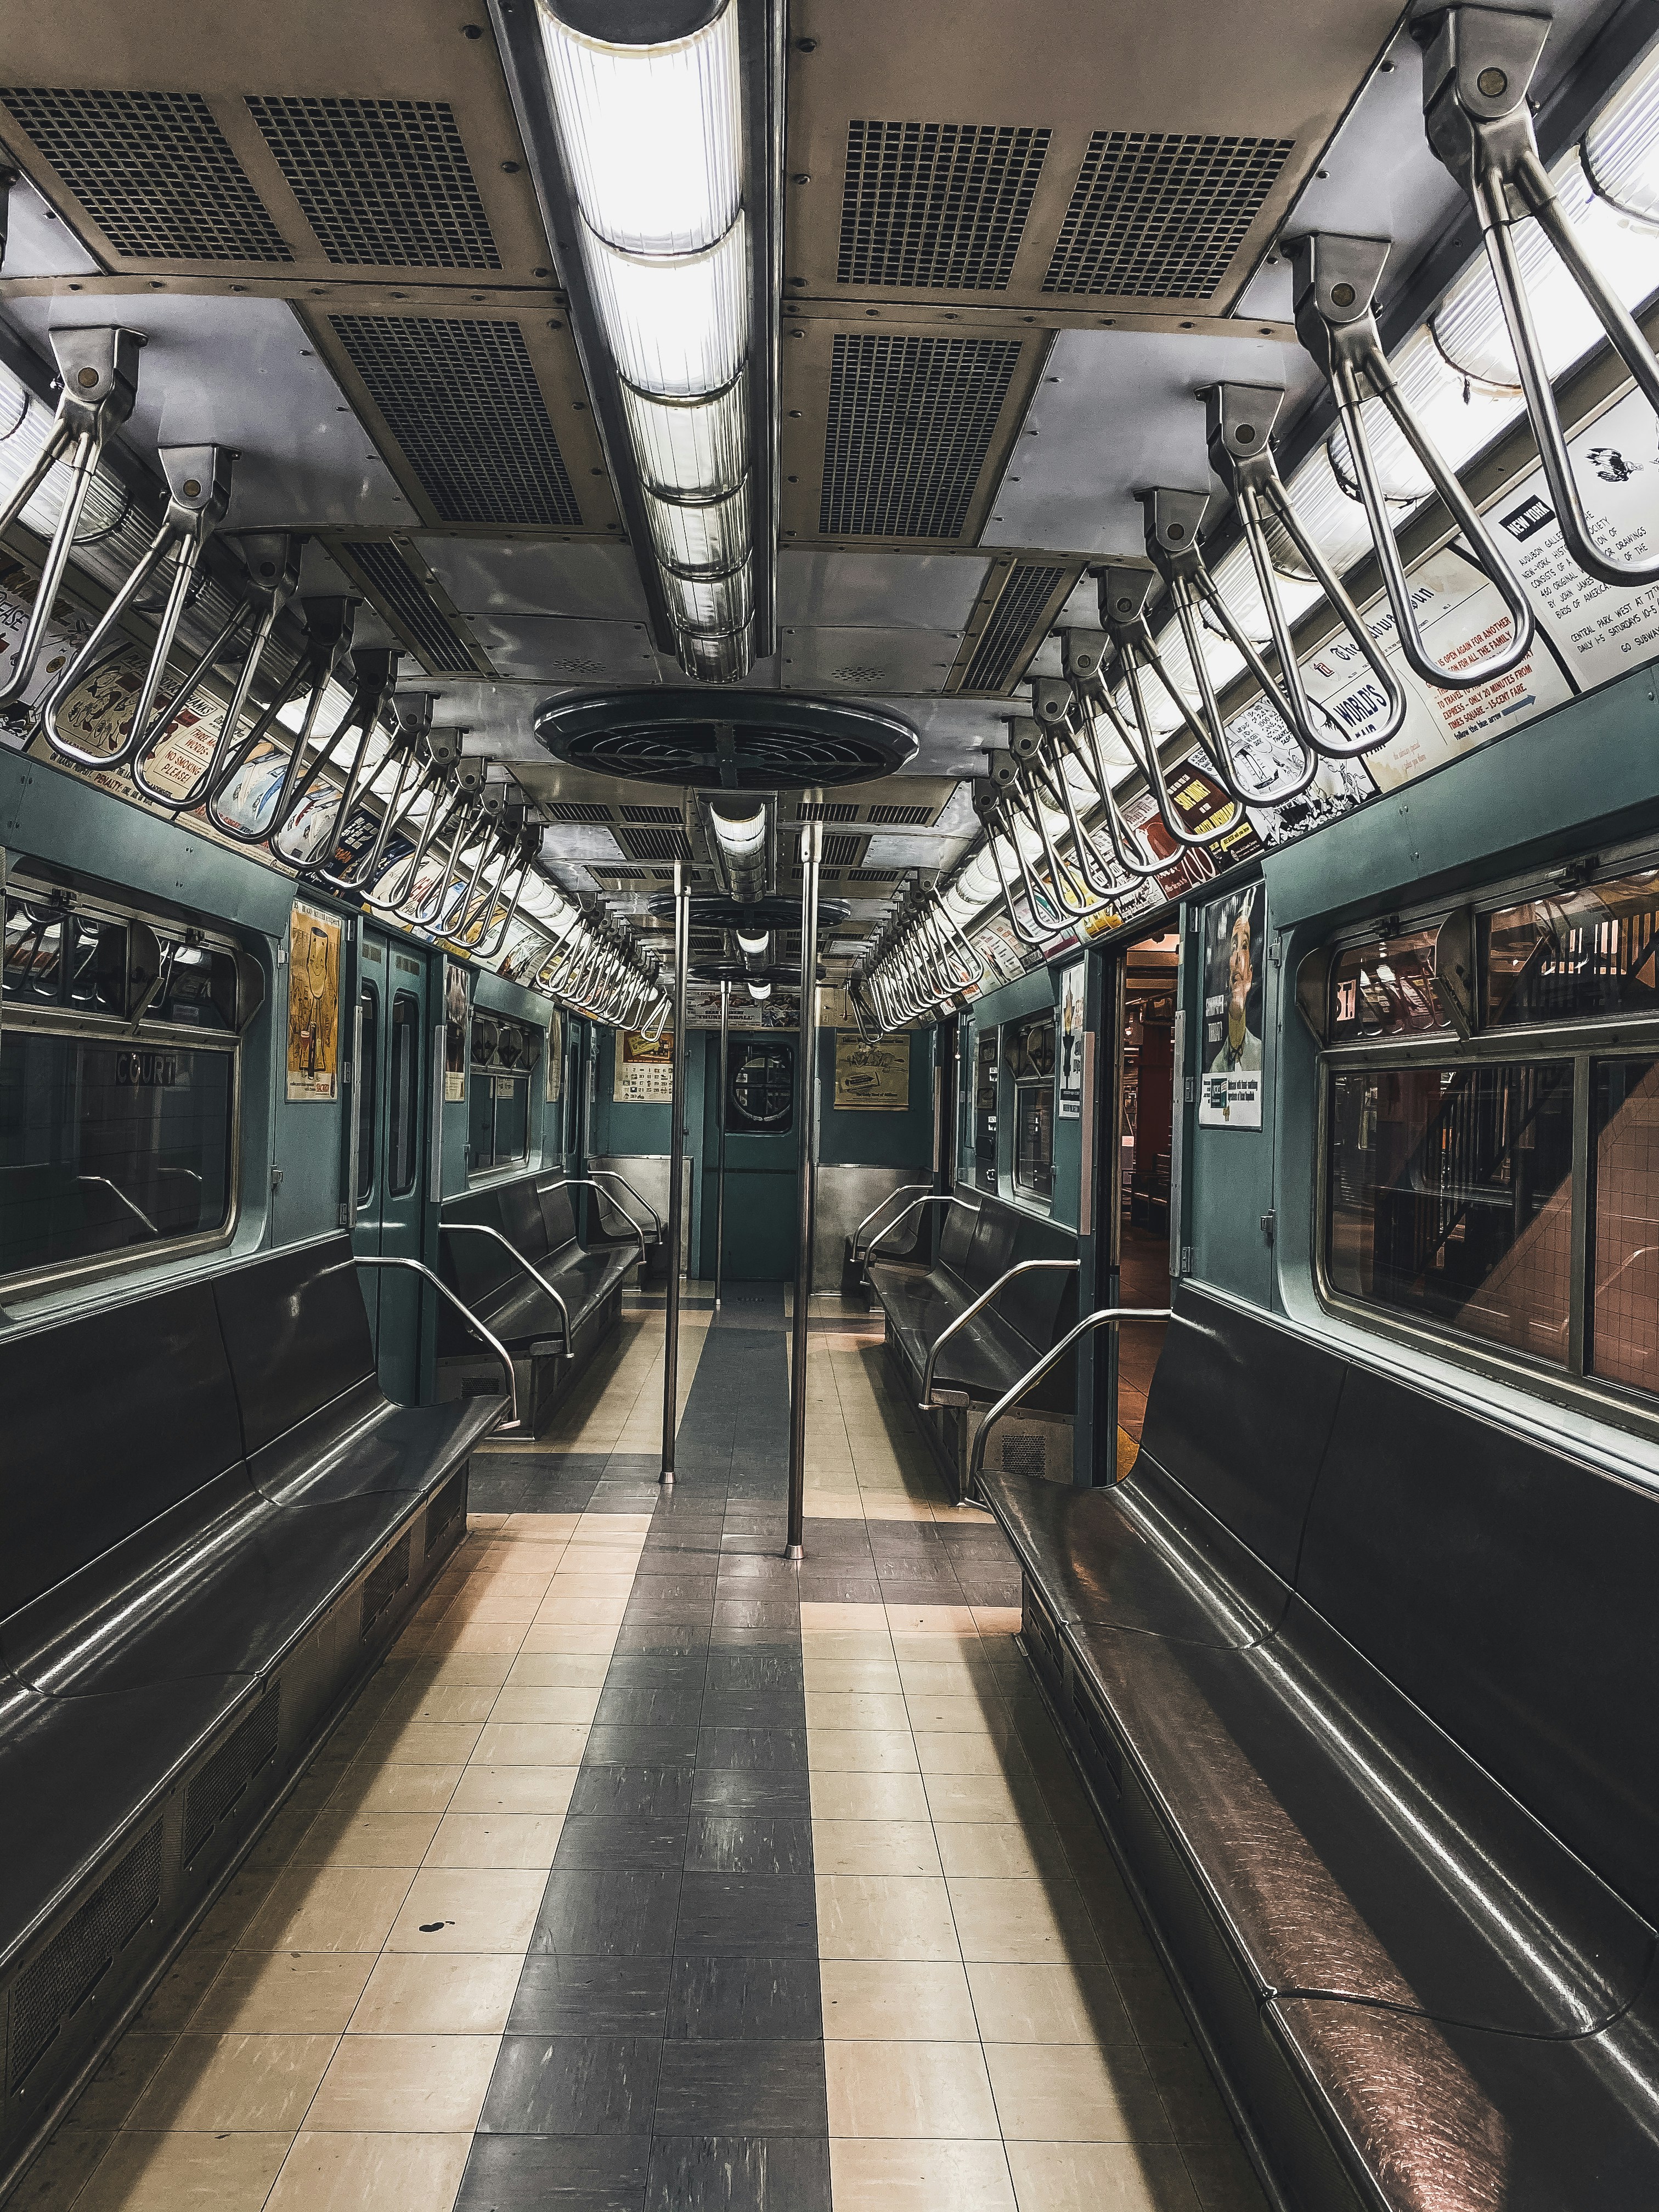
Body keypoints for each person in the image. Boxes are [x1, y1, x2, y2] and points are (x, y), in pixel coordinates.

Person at [1209, 896, 1262, 1075]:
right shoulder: (1216, 1064)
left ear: (1250, 974)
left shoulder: (1261, 1053)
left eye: (1244, 946)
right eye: (1234, 947)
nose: (1238, 956)